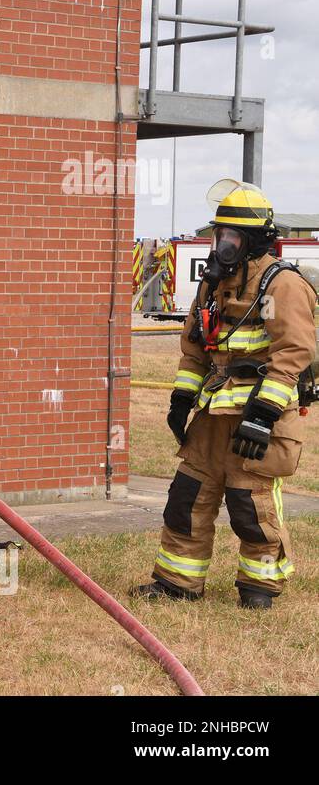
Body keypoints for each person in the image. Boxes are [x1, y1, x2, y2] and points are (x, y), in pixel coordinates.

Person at [132, 179, 315, 609]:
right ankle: (177, 582)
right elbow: (196, 347)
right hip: (213, 416)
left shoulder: (281, 285)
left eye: (232, 237)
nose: (223, 245)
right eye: (219, 235)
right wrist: (181, 400)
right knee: (187, 497)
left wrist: (264, 414)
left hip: (258, 417)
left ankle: (259, 587)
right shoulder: (212, 286)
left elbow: (294, 352)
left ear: (253, 241)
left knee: (249, 504)